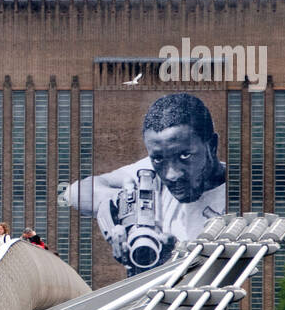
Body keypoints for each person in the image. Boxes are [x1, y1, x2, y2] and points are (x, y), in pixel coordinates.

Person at [61, 92, 227, 274]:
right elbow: (73, 193)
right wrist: (122, 204)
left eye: (185, 156)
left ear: (212, 146)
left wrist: (172, 259)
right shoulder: (149, 173)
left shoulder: (242, 199)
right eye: (158, 159)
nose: (171, 174)